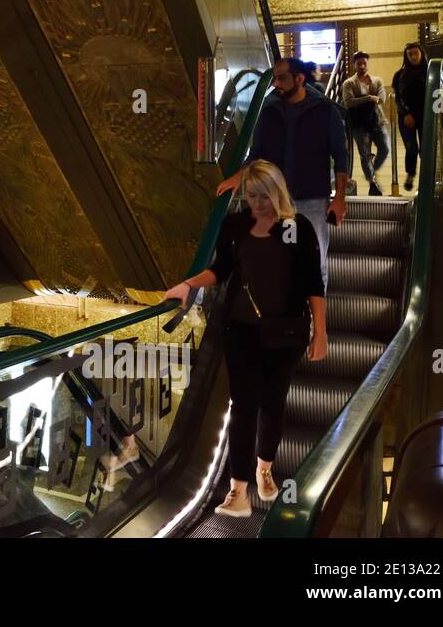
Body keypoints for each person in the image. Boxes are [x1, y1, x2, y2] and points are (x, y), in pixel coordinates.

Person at [165, 160, 328, 518]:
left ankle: (264, 468)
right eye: (250, 196)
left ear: (278, 192)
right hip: (240, 330)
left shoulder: (295, 228)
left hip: (286, 333)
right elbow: (221, 269)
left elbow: (314, 284)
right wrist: (189, 284)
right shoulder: (236, 224)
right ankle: (238, 490)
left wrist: (322, 332)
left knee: (273, 402)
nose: (256, 203)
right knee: (243, 407)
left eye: (263, 196)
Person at [215, 56, 347, 290]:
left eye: (282, 78)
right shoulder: (269, 111)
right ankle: (281, 318)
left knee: (315, 264)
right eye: (274, 78)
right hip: (275, 200)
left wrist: (339, 199)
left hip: (312, 199)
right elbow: (257, 153)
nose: (276, 84)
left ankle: (315, 325)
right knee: (276, 259)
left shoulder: (326, 111)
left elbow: (340, 156)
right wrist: (238, 178)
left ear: (300, 79)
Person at [342, 51, 389, 196]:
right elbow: (349, 102)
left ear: (368, 64)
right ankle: (372, 183)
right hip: (359, 125)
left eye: (364, 63)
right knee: (364, 154)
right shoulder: (349, 83)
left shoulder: (377, 81)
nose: (362, 66)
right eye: (359, 63)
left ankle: (371, 170)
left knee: (385, 149)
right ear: (354, 65)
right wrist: (369, 98)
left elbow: (381, 98)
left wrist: (363, 99)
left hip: (377, 121)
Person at [392, 43, 428, 193]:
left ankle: (426, 179)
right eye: (410, 54)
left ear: (421, 54)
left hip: (426, 116)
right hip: (406, 116)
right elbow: (398, 98)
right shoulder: (400, 75)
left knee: (426, 149)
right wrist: (406, 114)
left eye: (415, 53)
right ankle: (410, 174)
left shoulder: (429, 72)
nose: (413, 57)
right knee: (411, 147)